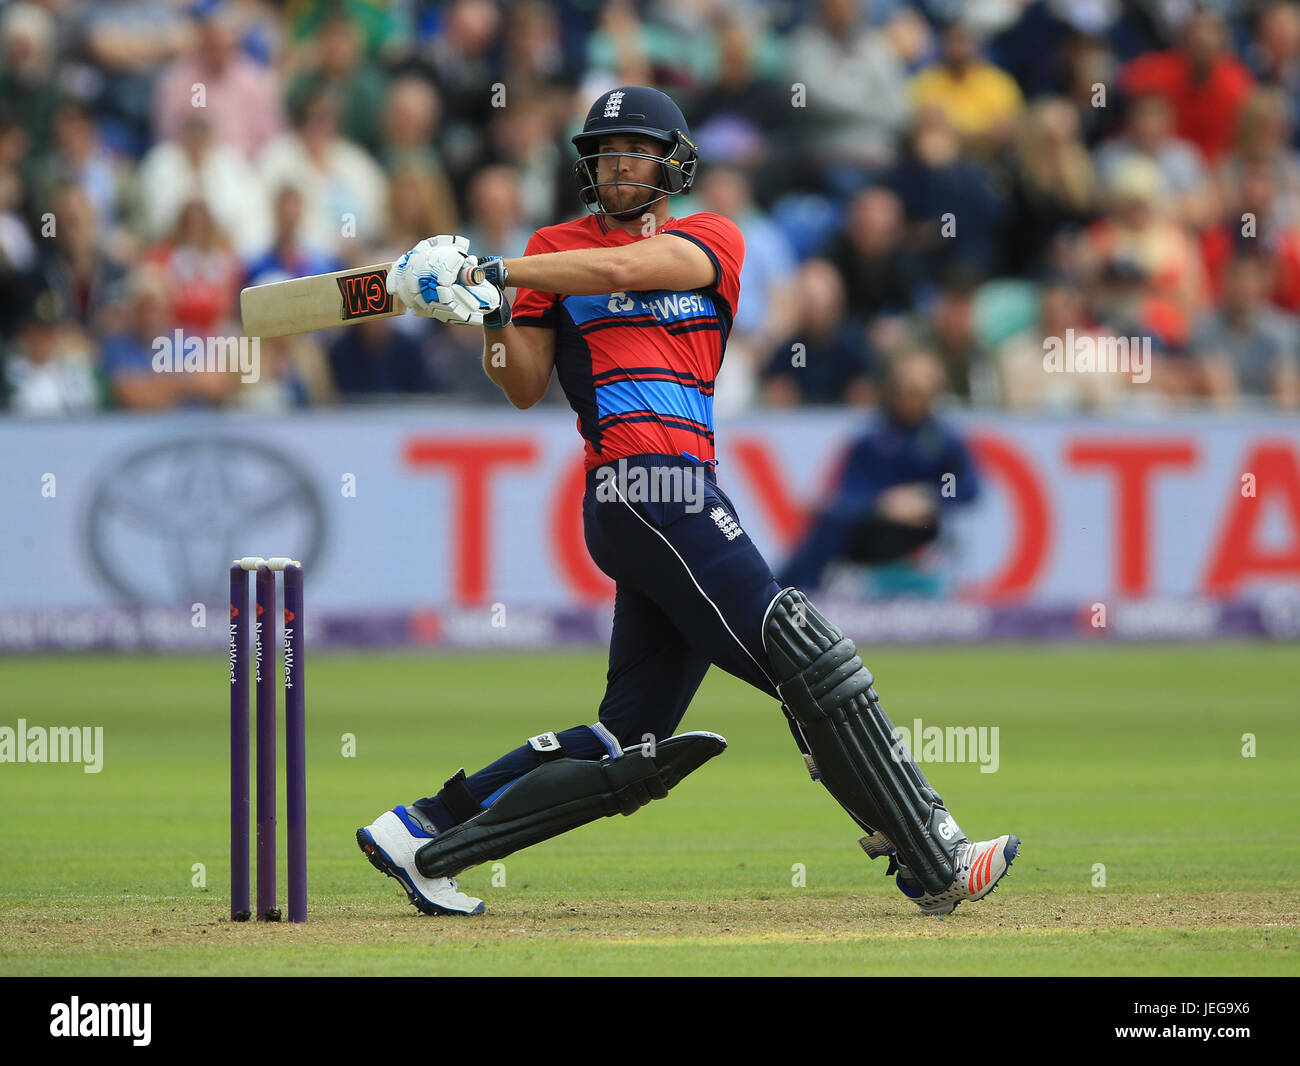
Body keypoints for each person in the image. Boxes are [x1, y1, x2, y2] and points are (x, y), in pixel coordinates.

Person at [357, 86, 1019, 918]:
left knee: (624, 742)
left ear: (673, 163)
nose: (618, 164)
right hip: (639, 487)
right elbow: (523, 384)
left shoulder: (710, 238)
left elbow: (625, 267)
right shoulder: (551, 249)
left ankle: (422, 832)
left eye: (635, 149)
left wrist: (493, 267)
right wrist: (485, 310)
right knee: (808, 660)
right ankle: (933, 850)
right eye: (604, 152)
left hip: (686, 488)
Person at [777, 350, 980, 593]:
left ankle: (788, 587)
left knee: (834, 521)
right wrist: (884, 504)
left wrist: (931, 498)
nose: (910, 399)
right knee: (831, 517)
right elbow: (850, 490)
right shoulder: (872, 438)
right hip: (873, 524)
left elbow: (968, 488)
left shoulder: (944, 440)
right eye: (904, 391)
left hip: (920, 527)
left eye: (918, 393)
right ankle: (792, 586)